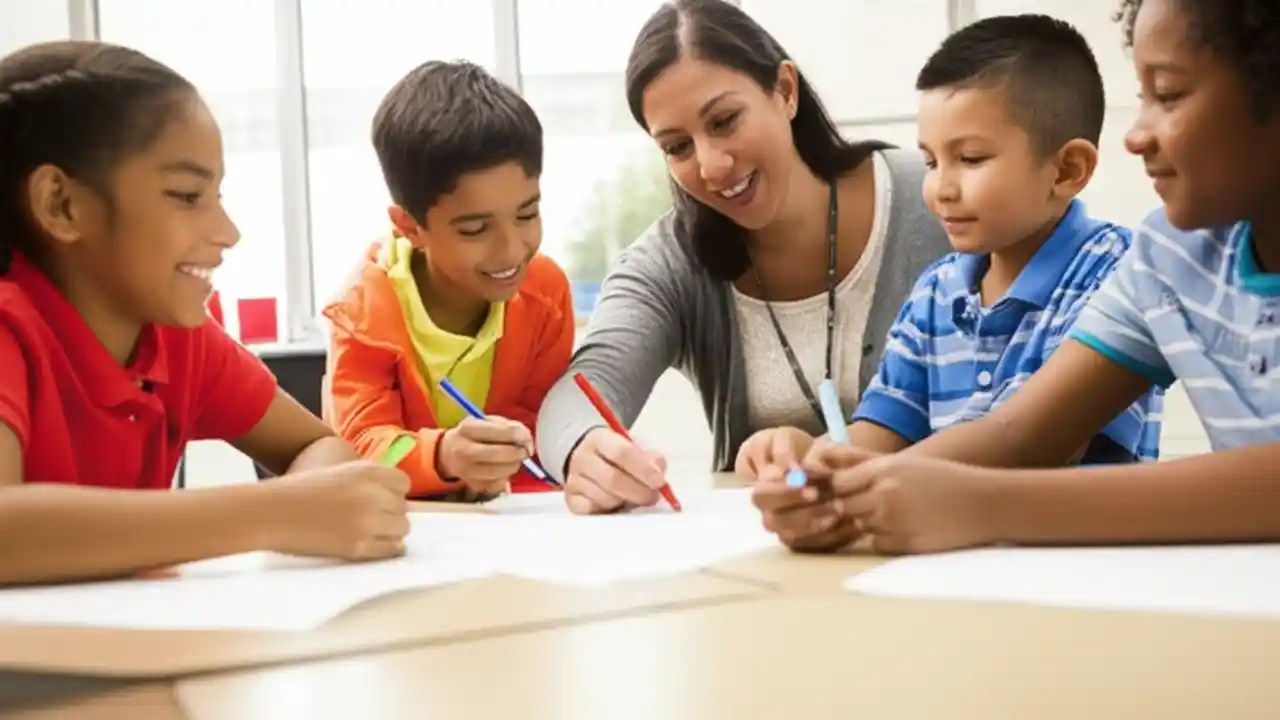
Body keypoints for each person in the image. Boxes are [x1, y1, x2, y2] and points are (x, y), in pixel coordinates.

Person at [753, 0, 1280, 555]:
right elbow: (1020, 432)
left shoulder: (1112, 260)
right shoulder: (1167, 260)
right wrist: (856, 493)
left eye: (1168, 95)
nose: (1135, 136)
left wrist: (982, 505)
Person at [0, 41, 410, 586]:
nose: (228, 232)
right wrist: (278, 514)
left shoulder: (177, 338)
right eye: (187, 195)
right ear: (62, 205)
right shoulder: (9, 326)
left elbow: (317, 444)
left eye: (218, 195)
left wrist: (311, 504)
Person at [535, 0, 951, 515]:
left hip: (944, 540)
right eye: (677, 147)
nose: (711, 166)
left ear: (785, 91)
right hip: (773, 555)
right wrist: (585, 448)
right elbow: (576, 396)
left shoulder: (937, 201)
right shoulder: (670, 263)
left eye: (725, 121)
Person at [737, 14, 1163, 487]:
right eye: (930, 161)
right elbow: (880, 432)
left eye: (970, 159)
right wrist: (813, 457)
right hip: (947, 530)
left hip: (1069, 532)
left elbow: (1044, 442)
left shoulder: (1109, 269)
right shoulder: (936, 291)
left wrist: (875, 475)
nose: (941, 188)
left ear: (1067, 170)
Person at [324, 61, 573, 500]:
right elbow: (362, 447)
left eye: (527, 214)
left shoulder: (545, 293)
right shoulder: (362, 314)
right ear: (410, 226)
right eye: (475, 229)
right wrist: (443, 456)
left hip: (511, 521)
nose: (511, 250)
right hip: (400, 526)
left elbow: (543, 425)